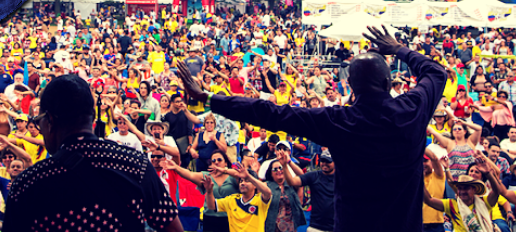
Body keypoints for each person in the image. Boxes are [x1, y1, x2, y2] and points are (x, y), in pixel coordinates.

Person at [174, 25, 448, 231]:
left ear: (350, 87)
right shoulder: (412, 109)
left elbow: (271, 113)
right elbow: (436, 72)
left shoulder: (338, 121)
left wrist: (208, 97)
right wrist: (399, 48)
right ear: (389, 83)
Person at [0, 75, 183, 232]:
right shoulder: (136, 164)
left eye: (39, 122)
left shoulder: (30, 182)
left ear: (51, 121)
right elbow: (172, 228)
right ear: (92, 117)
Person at [204, 164, 272, 232]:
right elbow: (211, 206)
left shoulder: (260, 200)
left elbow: (268, 193)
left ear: (255, 186)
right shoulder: (232, 200)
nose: (242, 183)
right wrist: (209, 192)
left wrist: (248, 176)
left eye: (246, 181)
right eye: (241, 181)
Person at [282, 149, 335, 232]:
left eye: (328, 161)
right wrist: (284, 165)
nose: (324, 164)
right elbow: (292, 182)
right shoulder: (314, 176)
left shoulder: (341, 179)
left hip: (335, 227)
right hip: (316, 227)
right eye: (322, 161)